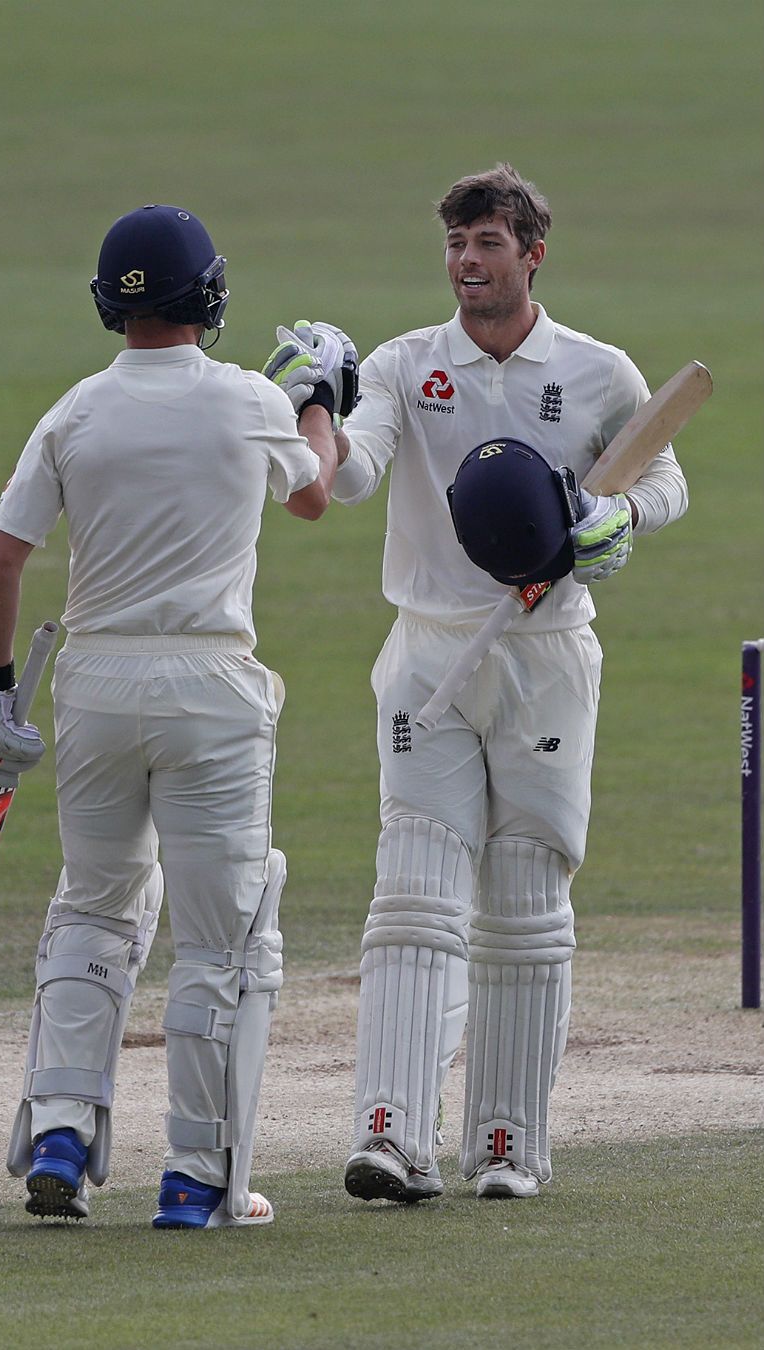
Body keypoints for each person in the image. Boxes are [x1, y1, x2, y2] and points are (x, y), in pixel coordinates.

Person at [264, 163, 688, 1201]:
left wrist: (616, 520)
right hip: (427, 652)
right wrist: (315, 402)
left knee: (525, 902)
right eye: (455, 244)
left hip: (545, 657)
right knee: (412, 894)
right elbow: (347, 479)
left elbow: (664, 475)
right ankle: (389, 1134)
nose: (466, 261)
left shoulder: (596, 370)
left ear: (531, 255)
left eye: (487, 244)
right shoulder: (409, 366)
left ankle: (506, 1144)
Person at [0, 203, 356, 1227]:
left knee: (92, 907)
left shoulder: (76, 412)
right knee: (222, 940)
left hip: (93, 684)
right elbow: (315, 493)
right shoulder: (244, 402)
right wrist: (318, 393)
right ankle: (195, 1178)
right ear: (209, 296)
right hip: (210, 689)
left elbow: (0, 563)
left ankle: (60, 1126)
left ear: (109, 303)